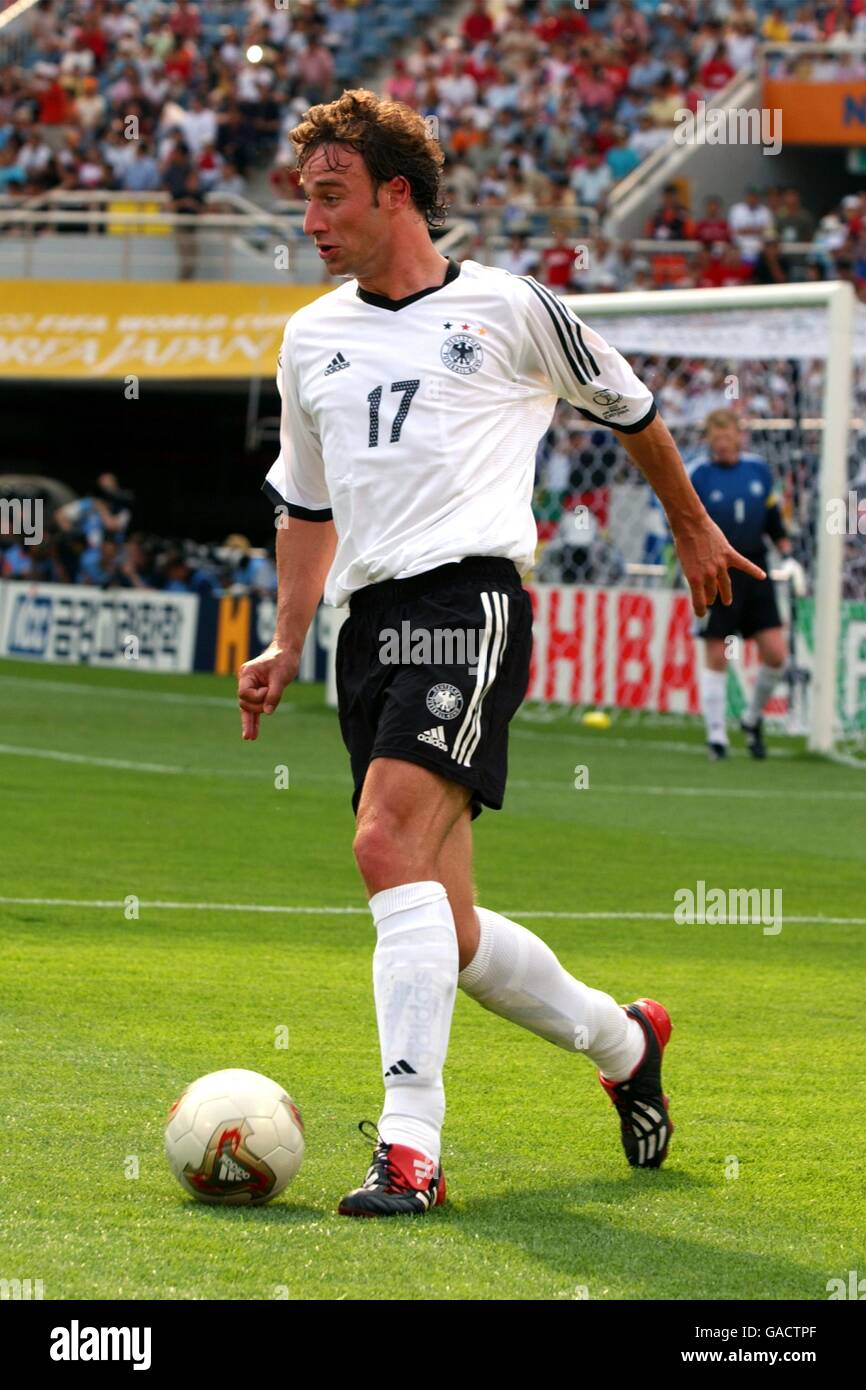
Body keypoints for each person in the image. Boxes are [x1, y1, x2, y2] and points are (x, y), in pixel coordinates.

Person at [238, 89, 763, 1218]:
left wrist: (685, 521)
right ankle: (625, 1043)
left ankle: (409, 1151)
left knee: (382, 842)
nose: (312, 219)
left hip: (469, 602)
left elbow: (628, 406)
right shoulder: (310, 337)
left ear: (395, 193)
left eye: (330, 196)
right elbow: (305, 504)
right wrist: (286, 641)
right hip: (367, 629)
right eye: (304, 198)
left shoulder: (511, 307)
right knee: (453, 930)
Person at [688, 409, 795, 760]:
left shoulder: (758, 471)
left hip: (755, 568)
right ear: (708, 440)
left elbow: (773, 521)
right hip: (717, 570)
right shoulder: (698, 475)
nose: (722, 443)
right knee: (717, 652)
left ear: (739, 436)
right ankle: (716, 736)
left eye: (728, 435)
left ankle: (751, 719)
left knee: (776, 653)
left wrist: (789, 555)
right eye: (715, 438)